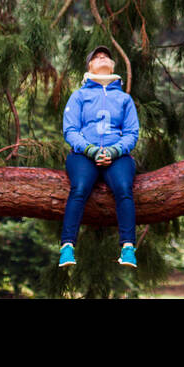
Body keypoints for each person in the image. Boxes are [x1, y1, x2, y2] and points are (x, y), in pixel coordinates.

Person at [58, 45, 140, 268]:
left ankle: (128, 248)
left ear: (113, 66)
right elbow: (70, 130)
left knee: (124, 188)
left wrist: (114, 151)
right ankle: (67, 247)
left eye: (106, 57)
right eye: (97, 57)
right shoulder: (79, 96)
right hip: (83, 154)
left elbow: (132, 133)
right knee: (80, 188)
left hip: (117, 154)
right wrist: (91, 150)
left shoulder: (124, 99)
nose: (102, 58)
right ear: (89, 66)